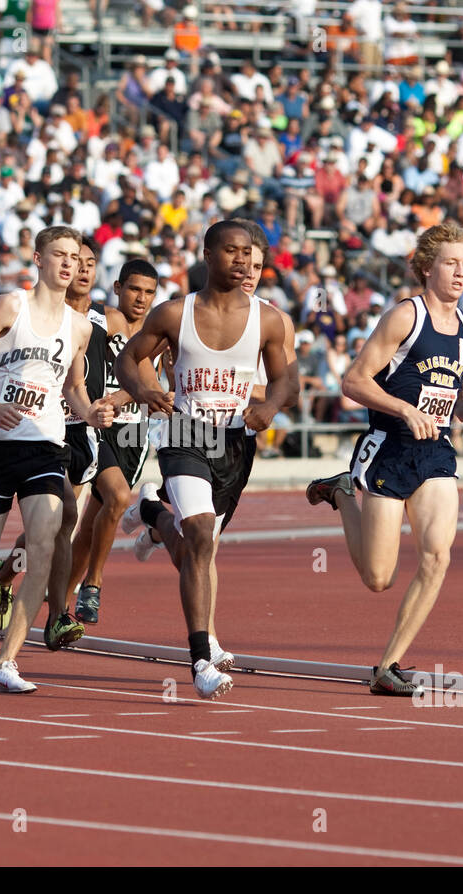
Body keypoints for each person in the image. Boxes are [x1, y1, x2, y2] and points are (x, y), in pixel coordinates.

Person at [306, 221, 463, 696]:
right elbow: (353, 382)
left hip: (434, 454)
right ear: (427, 268)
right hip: (387, 450)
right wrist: (402, 408)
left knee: (437, 557)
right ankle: (340, 491)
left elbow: (462, 399)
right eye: (451, 264)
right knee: (378, 578)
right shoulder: (404, 318)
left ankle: (388, 666)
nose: (461, 273)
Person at [116, 219, 292, 699]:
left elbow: (287, 381)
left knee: (200, 547)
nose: (241, 261)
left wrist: (270, 408)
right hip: (183, 432)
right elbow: (127, 361)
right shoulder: (175, 314)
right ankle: (200, 660)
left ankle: (152, 515)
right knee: (197, 532)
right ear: (208, 255)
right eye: (231, 251)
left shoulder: (270, 319)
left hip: (235, 444)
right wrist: (146, 390)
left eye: (249, 254)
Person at [0, 226, 115, 694]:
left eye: (76, 258)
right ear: (37, 259)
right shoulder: (9, 306)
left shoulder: (80, 327)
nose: (68, 265)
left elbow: (73, 389)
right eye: (58, 255)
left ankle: (7, 662)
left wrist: (90, 412)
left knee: (44, 543)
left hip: (45, 448)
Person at [0, 236, 118, 633]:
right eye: (71, 260)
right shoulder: (23, 310)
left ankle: (28, 587)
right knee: (63, 516)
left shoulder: (101, 322)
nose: (80, 269)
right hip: (37, 432)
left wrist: (112, 402)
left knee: (57, 522)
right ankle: (49, 603)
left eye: (87, 262)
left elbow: (125, 364)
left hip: (80, 430)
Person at [67, 258, 160, 622]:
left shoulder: (158, 333)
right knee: (71, 513)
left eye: (149, 292)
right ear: (118, 288)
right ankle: (93, 585)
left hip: (132, 434)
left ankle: (59, 603)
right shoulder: (100, 320)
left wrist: (127, 397)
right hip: (92, 424)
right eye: (134, 289)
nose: (141, 298)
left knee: (92, 523)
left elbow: (153, 386)